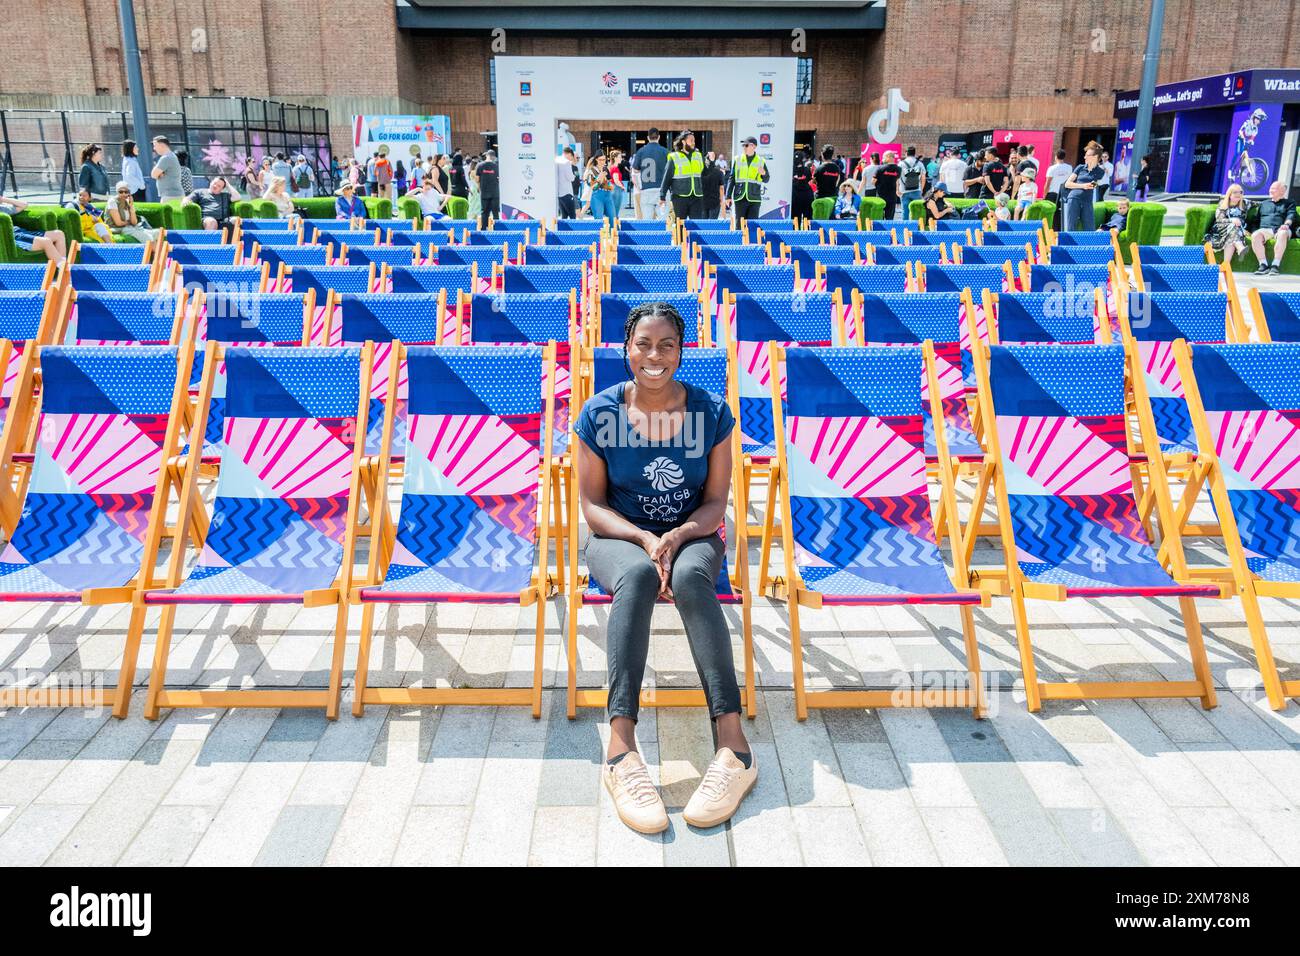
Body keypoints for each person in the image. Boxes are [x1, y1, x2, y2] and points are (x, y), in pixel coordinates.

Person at [573, 301, 756, 834]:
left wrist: (677, 535)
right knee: (636, 575)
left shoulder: (710, 412)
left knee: (691, 576)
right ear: (626, 349)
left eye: (666, 345)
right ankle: (621, 750)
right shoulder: (600, 414)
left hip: (692, 533)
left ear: (681, 351)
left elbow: (716, 502)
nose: (654, 356)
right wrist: (644, 538)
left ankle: (734, 747)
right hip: (619, 535)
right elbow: (592, 506)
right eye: (643, 345)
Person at [0, 194, 67, 263]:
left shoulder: (2, 209)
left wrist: (3, 199)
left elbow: (24, 205)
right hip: (14, 237)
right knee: (46, 241)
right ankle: (66, 270)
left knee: (58, 234)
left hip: (21, 232)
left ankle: (62, 269)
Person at [1249, 180, 1296, 275]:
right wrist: (1253, 231)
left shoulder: (1289, 203)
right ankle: (1263, 265)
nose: (1270, 190)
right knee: (1255, 235)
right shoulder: (1263, 204)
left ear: (1282, 191)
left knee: (1282, 233)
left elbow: (1291, 215)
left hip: (1281, 229)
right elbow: (1255, 220)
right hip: (1265, 229)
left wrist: (1286, 225)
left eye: (1274, 189)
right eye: (1270, 188)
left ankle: (1275, 265)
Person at [660, 130, 706, 221]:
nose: (693, 143)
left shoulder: (698, 155)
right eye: (691, 140)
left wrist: (711, 162)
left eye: (694, 141)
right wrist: (662, 196)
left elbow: (705, 173)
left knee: (696, 225)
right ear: (683, 142)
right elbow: (666, 178)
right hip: (679, 197)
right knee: (679, 226)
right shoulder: (674, 157)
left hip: (697, 196)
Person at [724, 136, 769, 224]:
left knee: (752, 226)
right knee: (739, 225)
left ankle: (752, 238)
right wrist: (728, 196)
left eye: (746, 145)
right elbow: (731, 178)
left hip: (754, 198)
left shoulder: (761, 161)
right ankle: (740, 238)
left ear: (754, 146)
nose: (744, 147)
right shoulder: (738, 159)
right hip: (740, 197)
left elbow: (767, 179)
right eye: (743, 145)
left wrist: (764, 173)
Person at [1061, 142, 1106, 231]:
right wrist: (1083, 185)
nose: (1084, 157)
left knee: (1089, 228)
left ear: (1095, 157)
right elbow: (1067, 184)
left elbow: (1097, 183)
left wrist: (1092, 185)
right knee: (1071, 226)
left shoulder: (1100, 171)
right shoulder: (1080, 167)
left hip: (1087, 201)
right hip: (1073, 198)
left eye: (1087, 155)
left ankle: (1088, 245)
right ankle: (1069, 245)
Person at [631, 128, 668, 221]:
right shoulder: (665, 151)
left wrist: (643, 170)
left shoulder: (641, 151)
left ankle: (649, 235)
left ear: (648, 138)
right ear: (659, 137)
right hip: (662, 190)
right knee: (663, 222)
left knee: (647, 222)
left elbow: (635, 170)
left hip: (647, 189)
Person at [1210, 184, 1249, 263]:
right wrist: (1232, 220)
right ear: (1229, 194)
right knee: (1233, 227)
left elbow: (1261, 205)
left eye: (1240, 193)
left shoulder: (1245, 203)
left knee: (1231, 238)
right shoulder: (1223, 204)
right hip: (1222, 228)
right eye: (1235, 193)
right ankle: (1240, 247)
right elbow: (1219, 219)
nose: (1238, 195)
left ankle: (1226, 264)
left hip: (1238, 230)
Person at [1043, 149, 1072, 230]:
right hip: (1064, 193)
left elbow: (1047, 183)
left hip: (1052, 193)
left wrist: (1044, 194)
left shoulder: (1052, 168)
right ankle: (1059, 230)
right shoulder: (1069, 168)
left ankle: (1050, 230)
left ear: (1056, 157)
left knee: (1050, 213)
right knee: (1061, 213)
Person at [150, 135, 184, 202]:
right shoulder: (170, 156)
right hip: (173, 195)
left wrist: (158, 174)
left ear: (162, 145)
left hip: (171, 197)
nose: (154, 148)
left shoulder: (166, 158)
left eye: (155, 145)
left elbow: (153, 175)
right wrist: (159, 174)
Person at [585, 153, 615, 225]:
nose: (603, 161)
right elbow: (592, 186)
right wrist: (599, 178)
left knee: (613, 219)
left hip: (608, 195)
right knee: (598, 220)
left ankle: (614, 235)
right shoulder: (591, 170)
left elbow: (609, 181)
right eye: (600, 160)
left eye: (604, 159)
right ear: (596, 160)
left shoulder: (605, 168)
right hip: (597, 196)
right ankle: (598, 236)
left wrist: (610, 186)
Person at [898, 146, 926, 219]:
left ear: (906, 153)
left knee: (905, 211)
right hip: (917, 190)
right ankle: (917, 227)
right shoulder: (919, 163)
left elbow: (897, 178)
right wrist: (921, 189)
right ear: (914, 153)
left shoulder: (901, 164)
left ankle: (905, 228)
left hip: (904, 191)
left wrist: (897, 190)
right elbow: (923, 178)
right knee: (917, 211)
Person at [875, 150, 902, 220]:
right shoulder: (899, 169)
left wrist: (878, 185)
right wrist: (897, 190)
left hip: (881, 196)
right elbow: (897, 181)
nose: (883, 159)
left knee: (879, 217)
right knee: (890, 218)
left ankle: (880, 230)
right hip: (892, 196)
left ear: (888, 157)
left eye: (884, 157)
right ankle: (889, 230)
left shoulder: (880, 168)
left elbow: (873, 181)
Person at [476, 150, 499, 228]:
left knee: (484, 212)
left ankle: (484, 230)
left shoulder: (479, 165)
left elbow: (477, 179)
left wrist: (479, 189)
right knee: (495, 212)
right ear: (493, 156)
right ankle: (498, 230)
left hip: (484, 192)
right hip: (495, 192)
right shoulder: (496, 166)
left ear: (486, 155)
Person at [700, 152, 724, 220]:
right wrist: (721, 201)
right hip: (715, 202)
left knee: (703, 225)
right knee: (712, 224)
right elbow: (721, 188)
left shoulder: (700, 172)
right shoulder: (719, 172)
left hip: (702, 201)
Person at [556, 147, 577, 219]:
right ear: (568, 154)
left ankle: (562, 230)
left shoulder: (557, 160)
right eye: (571, 156)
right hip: (567, 193)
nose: (571, 159)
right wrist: (574, 176)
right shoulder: (566, 162)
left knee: (564, 216)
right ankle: (573, 230)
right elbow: (570, 178)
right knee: (572, 215)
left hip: (559, 193)